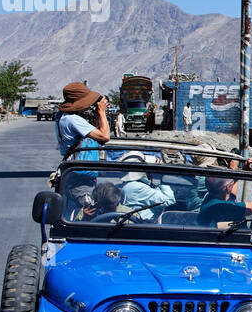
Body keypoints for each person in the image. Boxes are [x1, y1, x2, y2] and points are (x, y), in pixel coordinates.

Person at [55, 82, 111, 211]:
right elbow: (105, 136)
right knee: (87, 210)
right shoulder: (73, 120)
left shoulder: (62, 117)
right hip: (80, 179)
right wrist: (102, 112)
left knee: (72, 209)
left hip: (72, 171)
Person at [197, 161, 252, 227]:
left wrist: (242, 172)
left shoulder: (211, 197)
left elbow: (232, 194)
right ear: (227, 187)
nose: (233, 182)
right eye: (231, 183)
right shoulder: (220, 206)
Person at [116, 152, 176, 220]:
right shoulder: (136, 187)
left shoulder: (130, 185)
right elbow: (169, 200)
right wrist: (162, 175)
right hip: (146, 224)